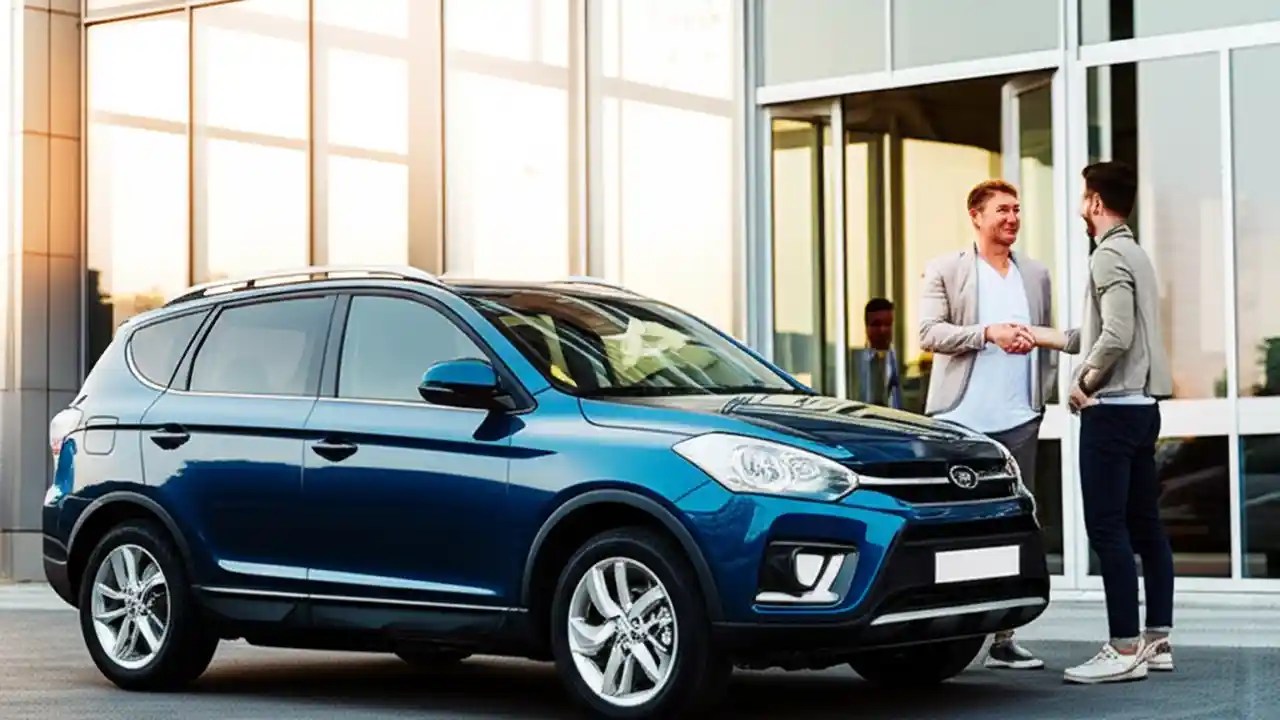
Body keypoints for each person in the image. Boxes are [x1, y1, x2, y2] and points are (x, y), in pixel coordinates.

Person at [1030, 161, 1175, 684]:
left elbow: (1112, 336)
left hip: (1111, 412)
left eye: (1081, 196)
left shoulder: (1107, 254)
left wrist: (1082, 385)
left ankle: (1122, 648)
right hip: (1142, 410)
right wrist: (1042, 336)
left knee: (1108, 529)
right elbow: (1103, 330)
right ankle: (1156, 641)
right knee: (1146, 526)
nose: (1080, 204)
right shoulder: (1136, 254)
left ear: (1094, 202)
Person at [918, 179, 1056, 671]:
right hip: (960, 423)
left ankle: (1004, 637)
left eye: (1018, 210)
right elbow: (929, 333)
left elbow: (1045, 336)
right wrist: (987, 334)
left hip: (1019, 421)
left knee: (1015, 529)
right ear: (975, 216)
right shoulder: (947, 269)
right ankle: (935, 630)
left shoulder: (1035, 274)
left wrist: (1044, 394)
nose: (1013, 218)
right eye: (1002, 210)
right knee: (953, 531)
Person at [851, 298, 902, 409]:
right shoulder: (852, 365)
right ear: (866, 327)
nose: (882, 330)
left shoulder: (900, 363)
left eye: (887, 324)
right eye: (876, 325)